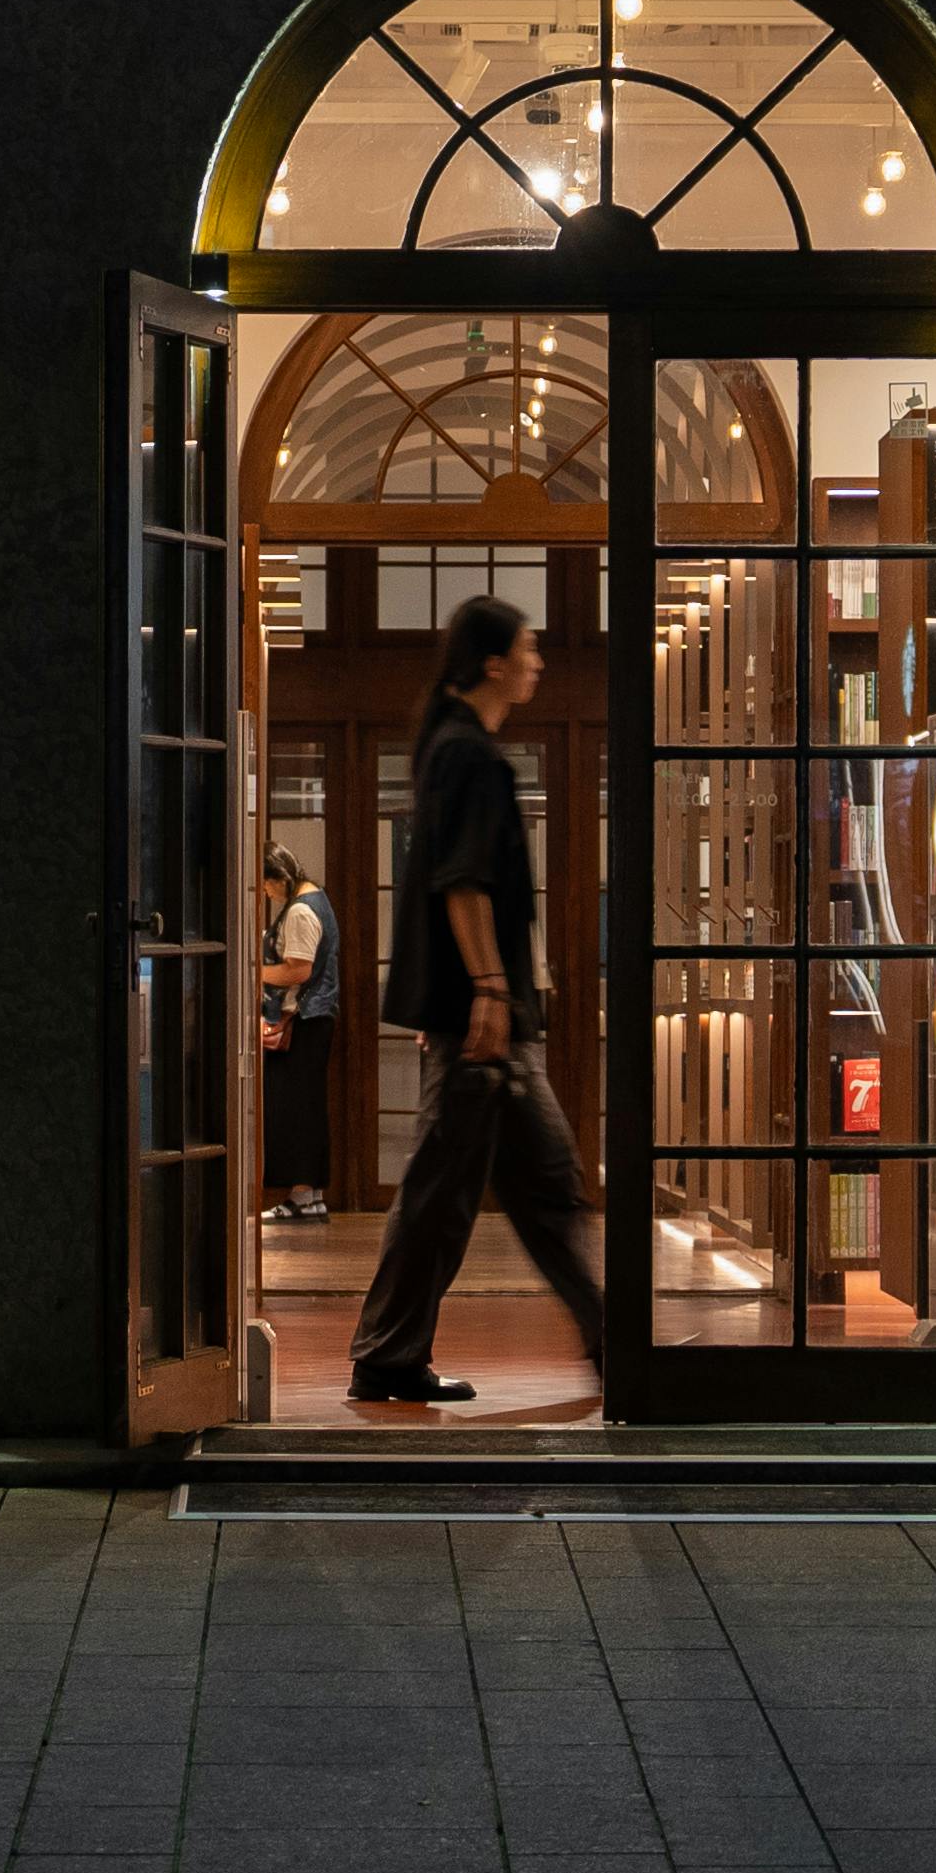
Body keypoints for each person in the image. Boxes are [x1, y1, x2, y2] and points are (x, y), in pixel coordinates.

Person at [346, 596, 604, 1411]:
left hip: (481, 1021)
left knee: (529, 1187)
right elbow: (464, 884)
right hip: (484, 1022)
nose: (538, 662)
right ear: (493, 661)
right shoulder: (471, 756)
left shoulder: (448, 746)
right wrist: (492, 989)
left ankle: (608, 1342)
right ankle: (389, 1356)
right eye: (528, 648)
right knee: (459, 1193)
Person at [255, 850, 340, 1213]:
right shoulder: (312, 899)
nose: (265, 892)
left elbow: (298, 970)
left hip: (304, 1019)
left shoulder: (301, 910)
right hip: (313, 1019)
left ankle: (302, 1196)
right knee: (304, 1106)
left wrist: (254, 971)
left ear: (278, 877)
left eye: (265, 884)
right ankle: (310, 1195)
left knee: (296, 1110)